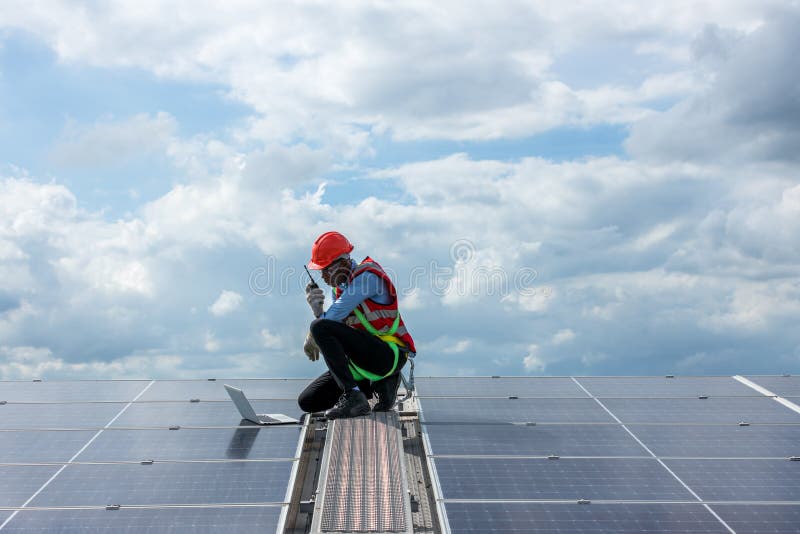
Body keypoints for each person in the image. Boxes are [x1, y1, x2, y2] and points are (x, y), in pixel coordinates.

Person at [297, 231, 417, 419]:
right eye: (320, 271)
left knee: (319, 327)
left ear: (343, 263)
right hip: (363, 361)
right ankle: (373, 386)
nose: (323, 276)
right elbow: (335, 329)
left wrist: (314, 328)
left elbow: (327, 323)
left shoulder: (367, 277)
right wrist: (317, 310)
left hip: (388, 355)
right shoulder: (339, 290)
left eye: (326, 269)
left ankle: (354, 395)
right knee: (308, 401)